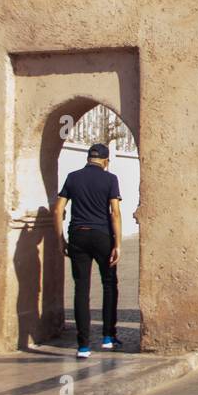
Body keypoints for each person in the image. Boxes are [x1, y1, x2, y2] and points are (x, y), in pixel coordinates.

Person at [53, 142, 122, 358]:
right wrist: (118, 244)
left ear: (88, 159)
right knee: (109, 283)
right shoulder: (110, 179)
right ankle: (108, 337)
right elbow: (115, 213)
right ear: (105, 161)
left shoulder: (73, 177)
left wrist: (60, 240)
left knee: (81, 288)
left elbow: (58, 209)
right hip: (102, 236)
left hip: (78, 235)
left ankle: (83, 346)